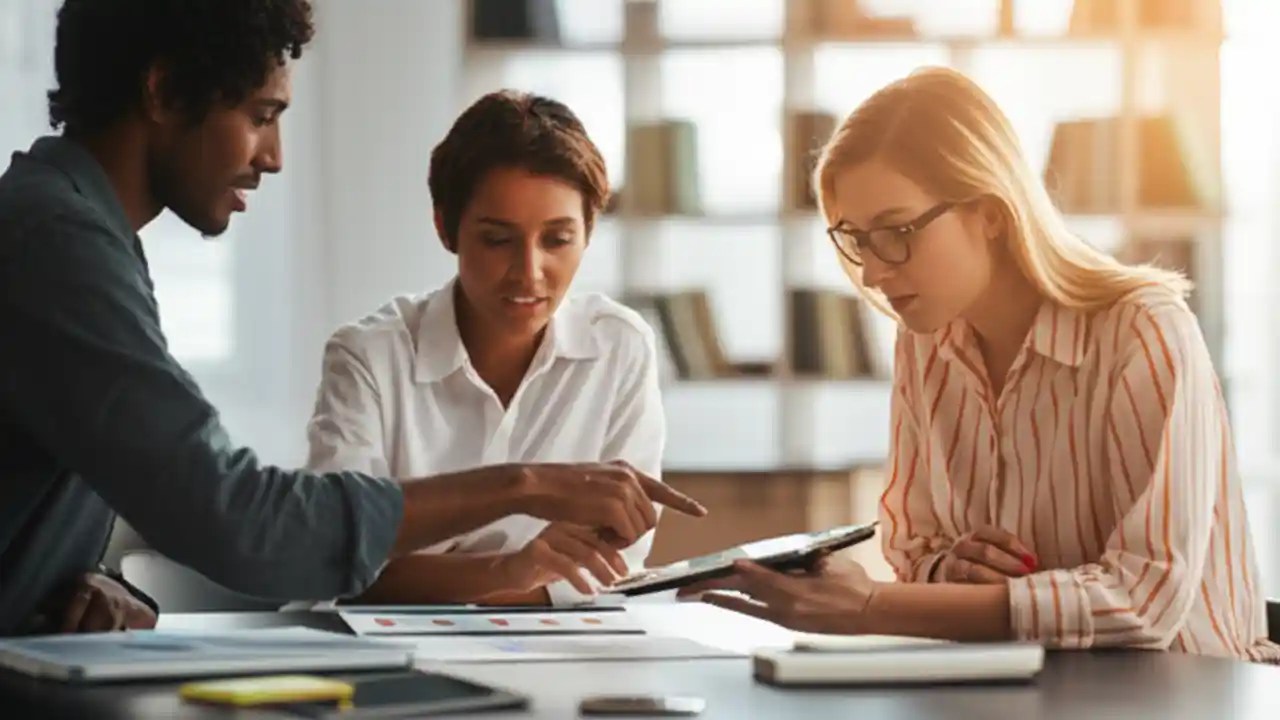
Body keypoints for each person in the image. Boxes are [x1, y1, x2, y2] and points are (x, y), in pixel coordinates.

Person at [0, 0, 704, 636]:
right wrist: (525, 485)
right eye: (260, 116)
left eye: (558, 237)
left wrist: (83, 587)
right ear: (162, 90)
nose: (273, 157)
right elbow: (237, 518)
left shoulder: (72, 229)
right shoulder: (55, 243)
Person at [683, 66, 1278, 663]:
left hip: (1187, 695)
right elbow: (913, 546)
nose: (872, 271)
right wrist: (949, 568)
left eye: (896, 230)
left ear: (991, 212)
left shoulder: (1142, 331)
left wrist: (871, 607)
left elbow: (1144, 600)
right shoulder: (925, 342)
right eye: (855, 238)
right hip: (1021, 686)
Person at [304, 90, 664, 606]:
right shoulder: (369, 357)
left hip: (558, 646)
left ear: (588, 233)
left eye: (557, 240)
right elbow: (333, 558)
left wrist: (423, 575)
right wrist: (512, 570)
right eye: (498, 240)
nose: (529, 271)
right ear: (445, 228)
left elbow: (614, 563)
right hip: (387, 650)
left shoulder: (619, 346)